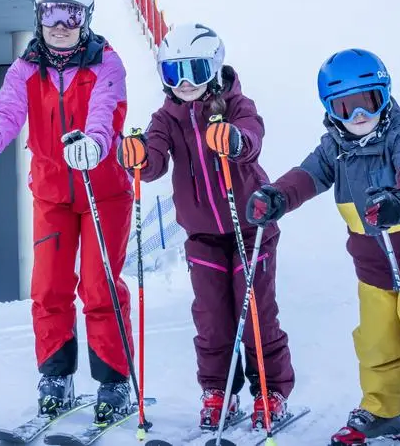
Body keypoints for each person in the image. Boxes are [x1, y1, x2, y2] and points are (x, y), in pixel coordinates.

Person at [244, 49, 400, 446]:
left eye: (367, 102)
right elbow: (306, 176)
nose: (358, 117)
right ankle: (384, 411)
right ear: (330, 109)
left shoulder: (399, 136)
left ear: (384, 97)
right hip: (373, 270)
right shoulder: (333, 148)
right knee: (375, 343)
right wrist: (277, 197)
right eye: (345, 107)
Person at [0, 0, 136, 425]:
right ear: (38, 19)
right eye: (50, 15)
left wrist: (94, 145)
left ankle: (114, 381)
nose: (60, 25)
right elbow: (8, 111)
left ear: (85, 19)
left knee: (99, 287)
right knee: (48, 288)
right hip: (53, 193)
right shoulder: (25, 69)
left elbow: (105, 113)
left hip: (104, 191)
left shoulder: (107, 63)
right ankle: (56, 376)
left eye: (71, 15)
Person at [116, 24, 295, 432]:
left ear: (213, 68)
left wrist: (235, 140)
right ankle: (219, 391)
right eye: (172, 73)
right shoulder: (166, 117)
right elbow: (155, 159)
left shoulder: (236, 104)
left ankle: (271, 391)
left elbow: (252, 136)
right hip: (202, 236)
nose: (184, 83)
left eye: (194, 71)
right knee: (212, 318)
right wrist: (139, 155)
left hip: (251, 226)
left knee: (256, 314)